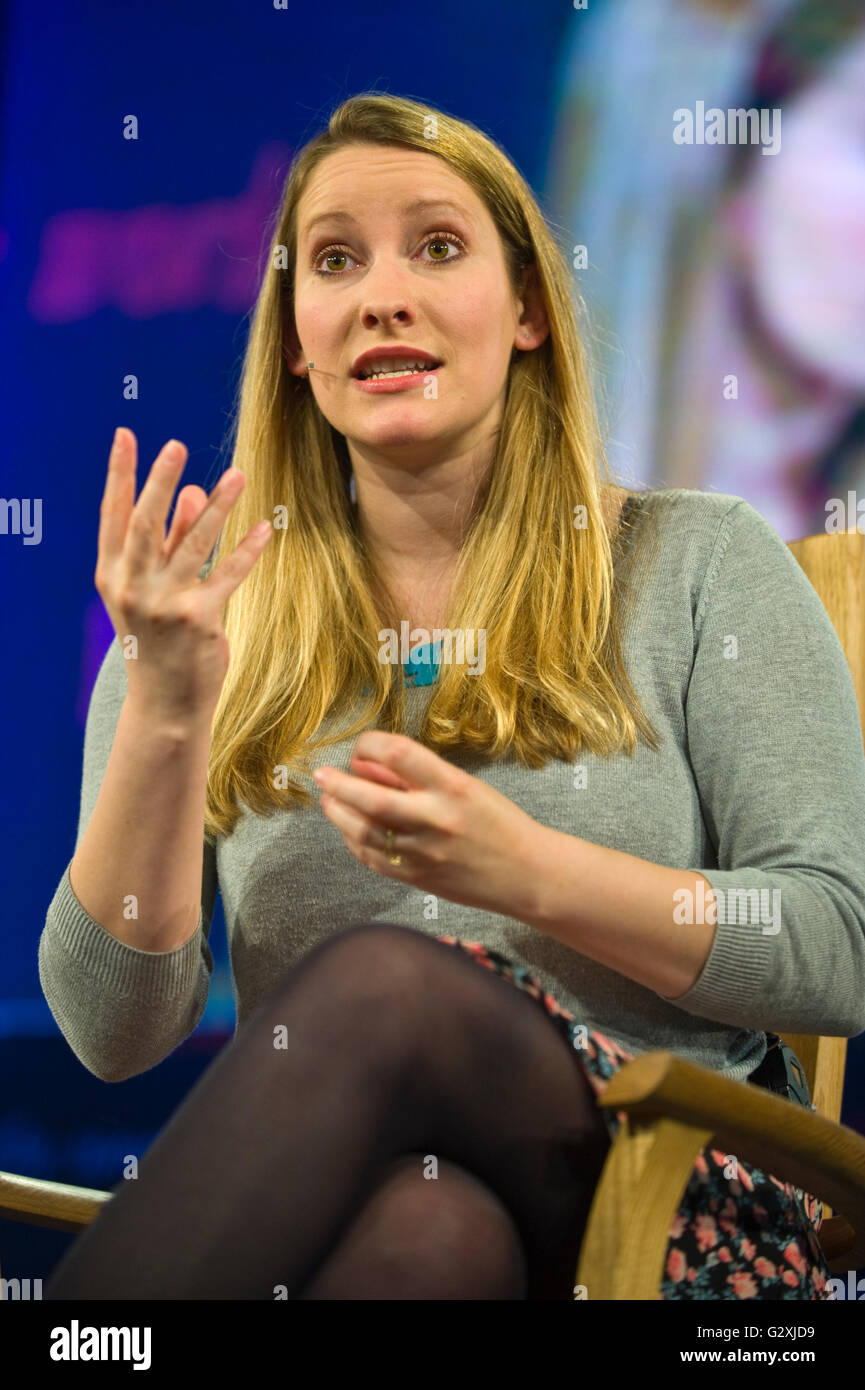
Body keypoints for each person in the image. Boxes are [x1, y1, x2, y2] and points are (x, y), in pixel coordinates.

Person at [40, 93, 865, 1301]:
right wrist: (166, 707)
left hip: (673, 1215)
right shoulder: (201, 628)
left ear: (527, 307)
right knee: (427, 1239)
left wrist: (525, 873)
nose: (382, 292)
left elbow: (833, 946)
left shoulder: (697, 563)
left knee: (389, 983)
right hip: (397, 1215)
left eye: (436, 246)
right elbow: (116, 1034)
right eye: (333, 260)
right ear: (293, 340)